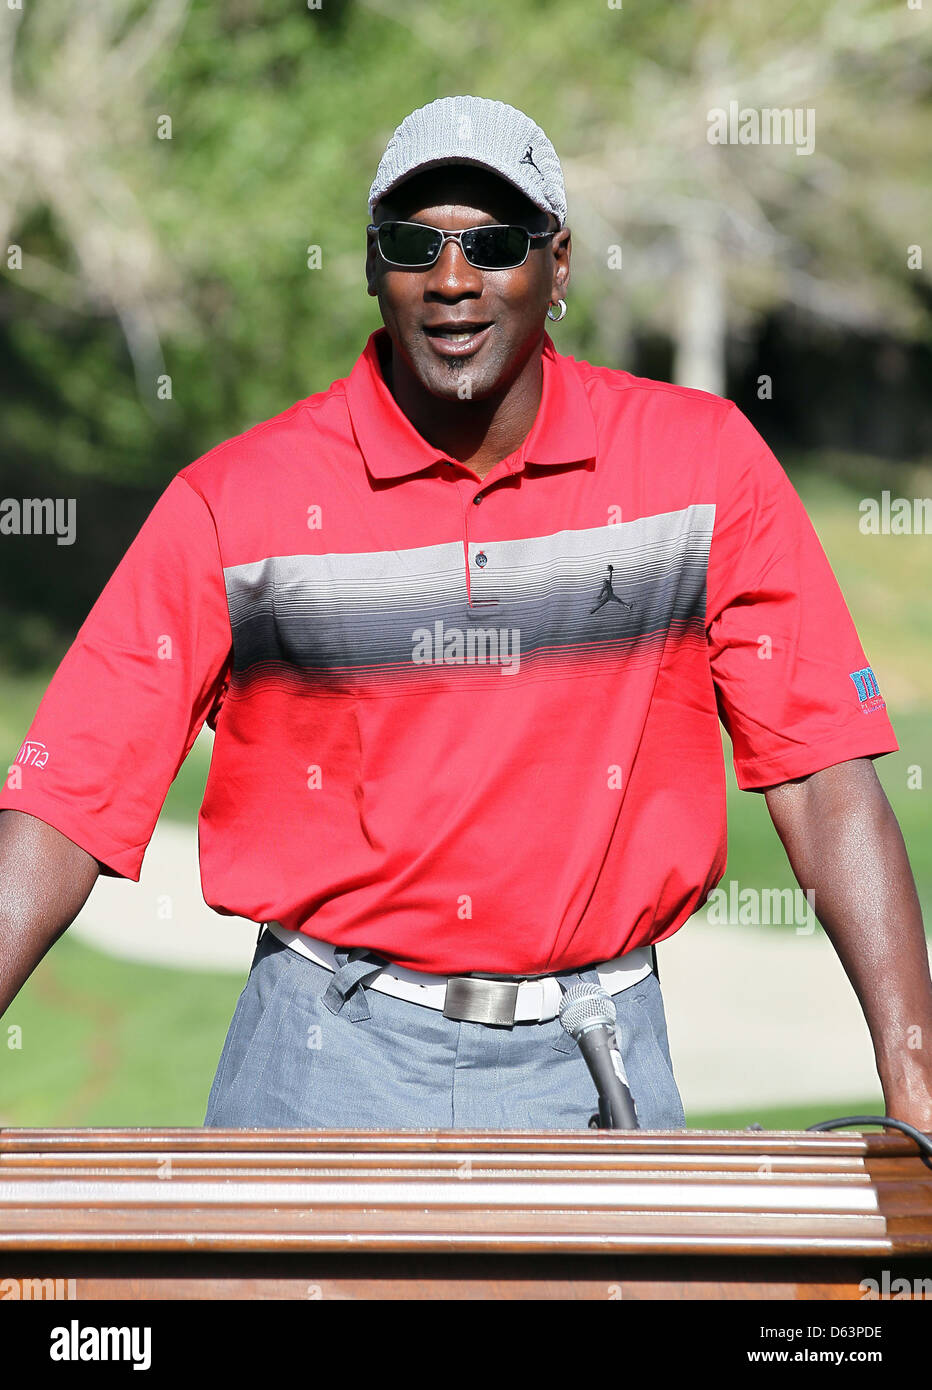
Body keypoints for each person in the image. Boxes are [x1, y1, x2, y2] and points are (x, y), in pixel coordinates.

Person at [1, 96, 930, 1134]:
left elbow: (820, 781)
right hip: (320, 1063)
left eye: (492, 243)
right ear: (369, 267)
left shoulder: (700, 468)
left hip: (595, 1061)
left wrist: (915, 1084)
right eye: (413, 244)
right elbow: (63, 807)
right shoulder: (234, 502)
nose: (451, 280)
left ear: (557, 265)